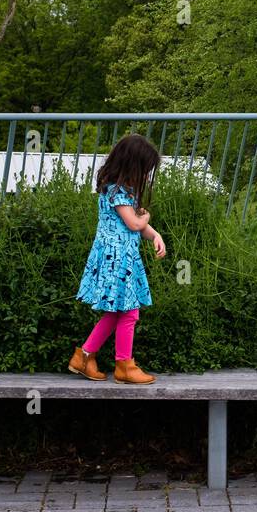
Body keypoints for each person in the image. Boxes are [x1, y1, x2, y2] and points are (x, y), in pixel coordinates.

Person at [69, 133, 166, 383]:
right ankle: (124, 365)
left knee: (117, 313)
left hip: (123, 259)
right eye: (145, 170)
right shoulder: (117, 192)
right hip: (116, 259)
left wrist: (154, 235)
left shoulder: (123, 191)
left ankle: (85, 356)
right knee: (130, 313)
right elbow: (134, 223)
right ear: (132, 165)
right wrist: (146, 217)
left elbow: (137, 226)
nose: (146, 176)